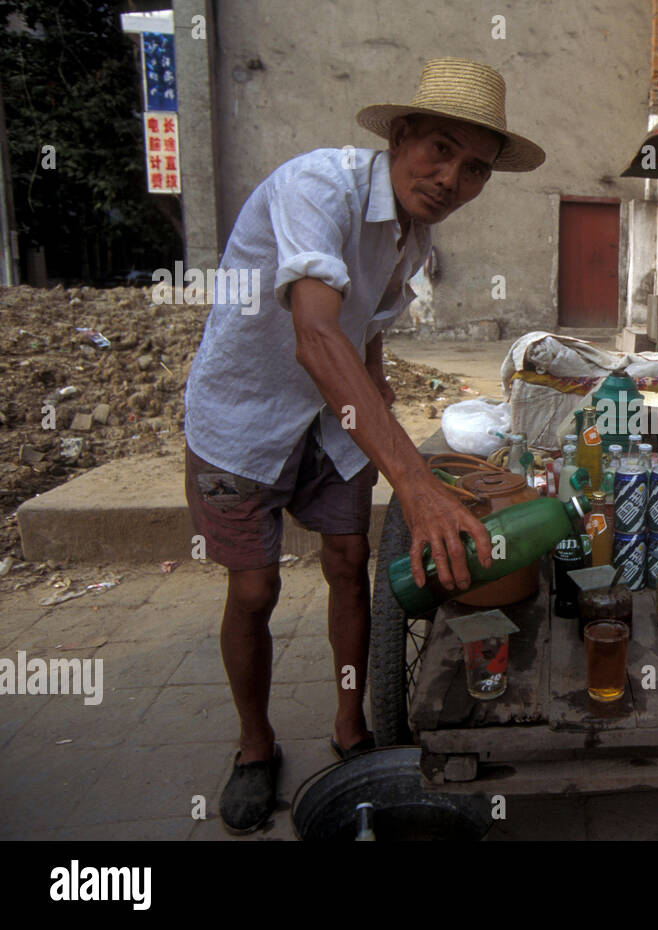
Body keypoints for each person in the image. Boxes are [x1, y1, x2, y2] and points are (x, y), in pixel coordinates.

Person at [182, 58, 545, 834]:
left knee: (349, 568)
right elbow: (315, 332)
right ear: (400, 134)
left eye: (475, 168)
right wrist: (412, 480)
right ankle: (255, 747)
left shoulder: (410, 240)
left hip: (329, 423)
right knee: (253, 593)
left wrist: (377, 396)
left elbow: (364, 328)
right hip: (241, 420)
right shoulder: (317, 188)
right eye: (438, 149)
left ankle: (351, 726)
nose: (451, 178)